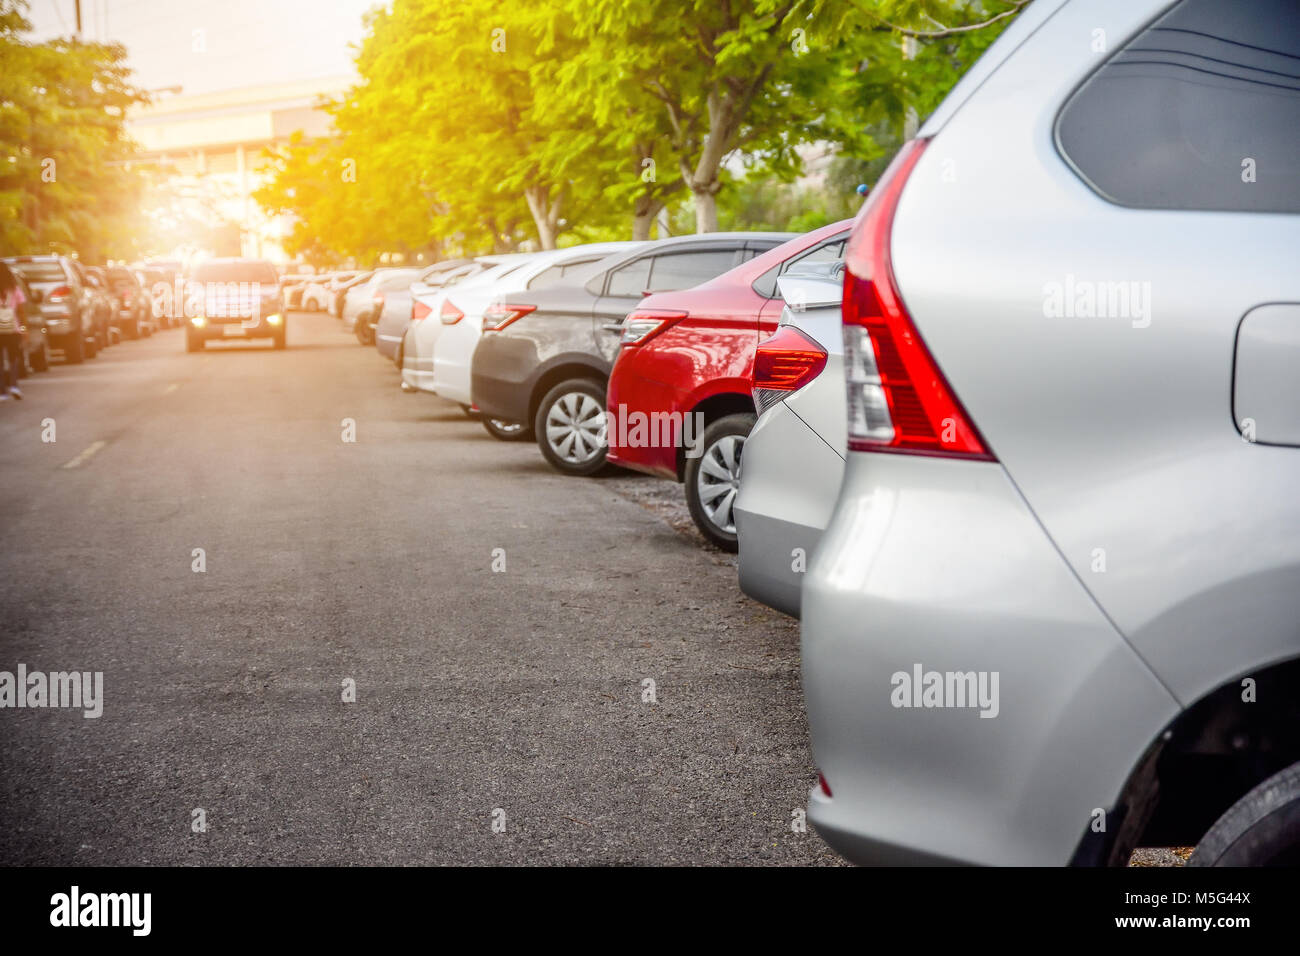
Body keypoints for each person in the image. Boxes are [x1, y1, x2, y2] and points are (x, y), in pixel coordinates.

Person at [0, 262, 27, 400]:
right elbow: (21, 312)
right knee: (13, 358)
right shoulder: (15, 289)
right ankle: (14, 385)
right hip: (13, 329)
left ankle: (2, 391)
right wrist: (24, 328)